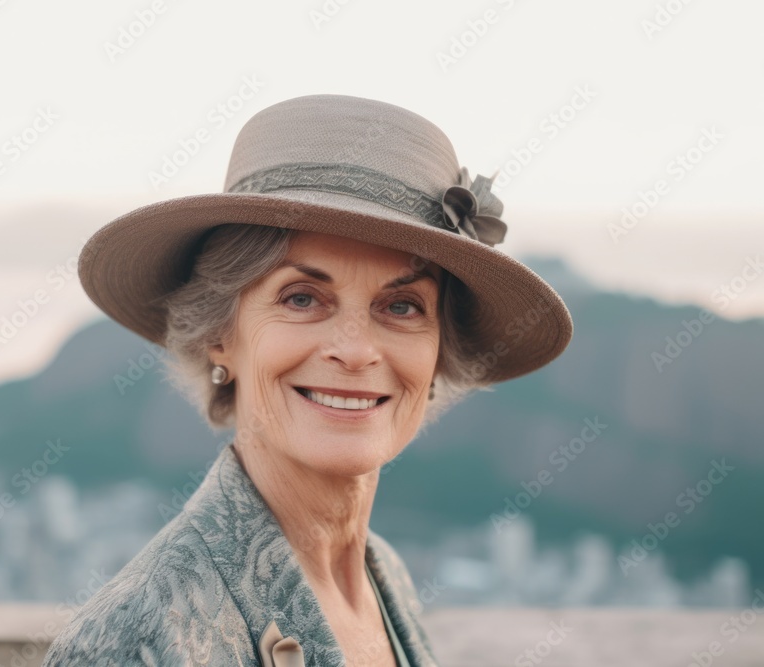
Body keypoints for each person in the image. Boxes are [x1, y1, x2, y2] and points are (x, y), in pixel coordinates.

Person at [42, 94, 573, 666]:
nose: (356, 351)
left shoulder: (385, 577)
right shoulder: (136, 637)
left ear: (439, 351)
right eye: (301, 298)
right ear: (220, 334)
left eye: (401, 307)